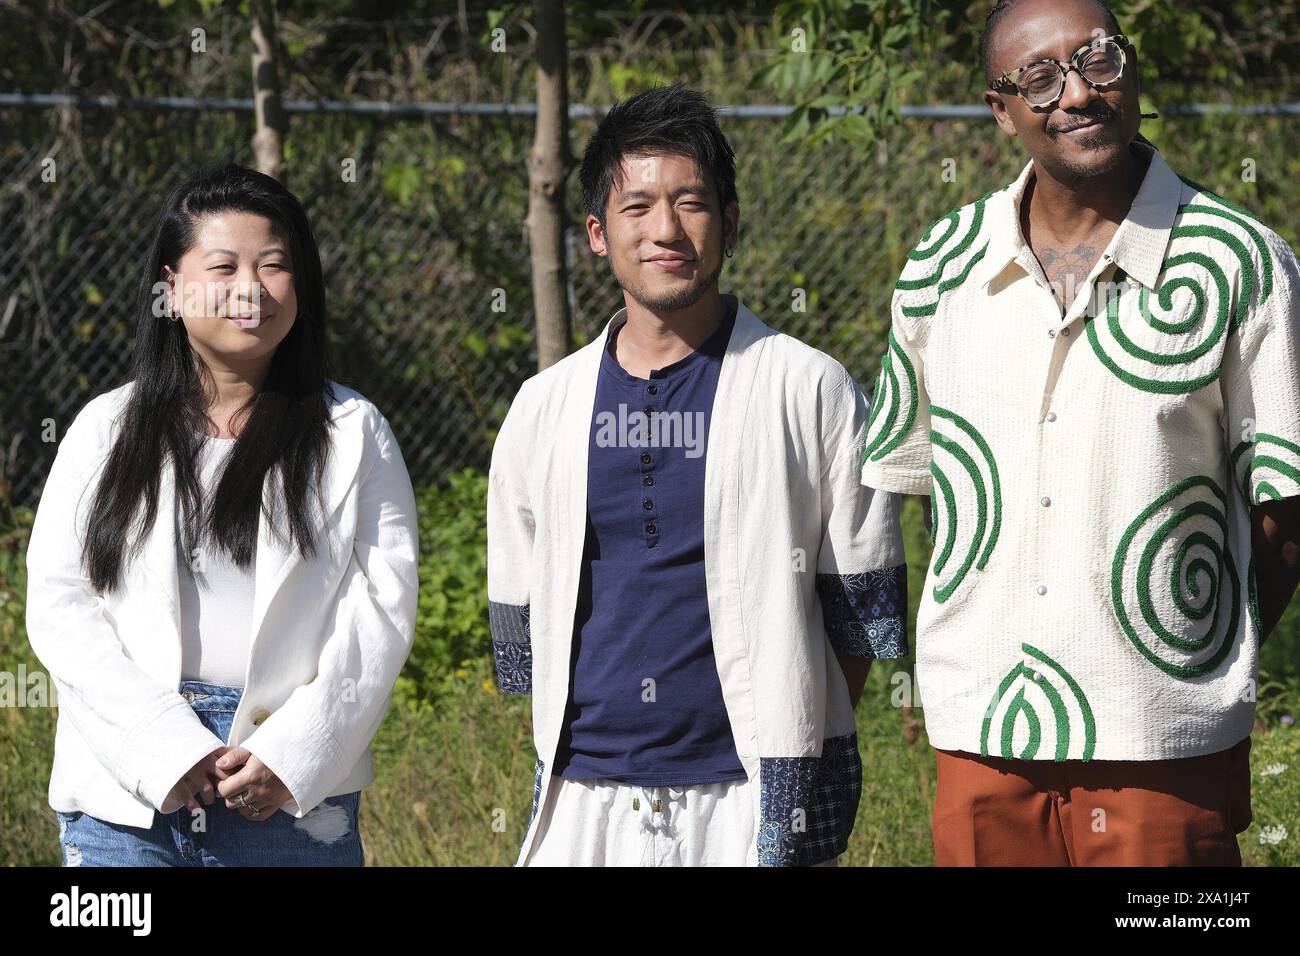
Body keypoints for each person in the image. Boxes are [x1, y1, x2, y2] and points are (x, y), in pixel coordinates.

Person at [860, 0, 1300, 866]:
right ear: (1001, 109)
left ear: (1129, 70)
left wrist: (1198, 649)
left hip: (1164, 733)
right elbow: (929, 492)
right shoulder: (942, 269)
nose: (1078, 93)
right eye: (1039, 77)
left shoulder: (1241, 261)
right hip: (982, 729)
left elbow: (1286, 507)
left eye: (1098, 60)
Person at [487, 85, 907, 867]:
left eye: (692, 202)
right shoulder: (544, 407)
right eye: (636, 207)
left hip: (749, 792)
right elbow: (525, 619)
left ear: (732, 221)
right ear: (595, 234)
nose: (666, 230)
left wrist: (782, 724)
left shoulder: (808, 387)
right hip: (586, 794)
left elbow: (857, 612)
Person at [25, 164, 420, 866]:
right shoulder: (104, 429)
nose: (250, 288)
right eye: (223, 265)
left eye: (273, 265)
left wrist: (291, 752)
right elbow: (60, 604)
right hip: (126, 789)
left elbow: (381, 613)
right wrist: (166, 744)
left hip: (287, 792)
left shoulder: (353, 431)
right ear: (171, 289)